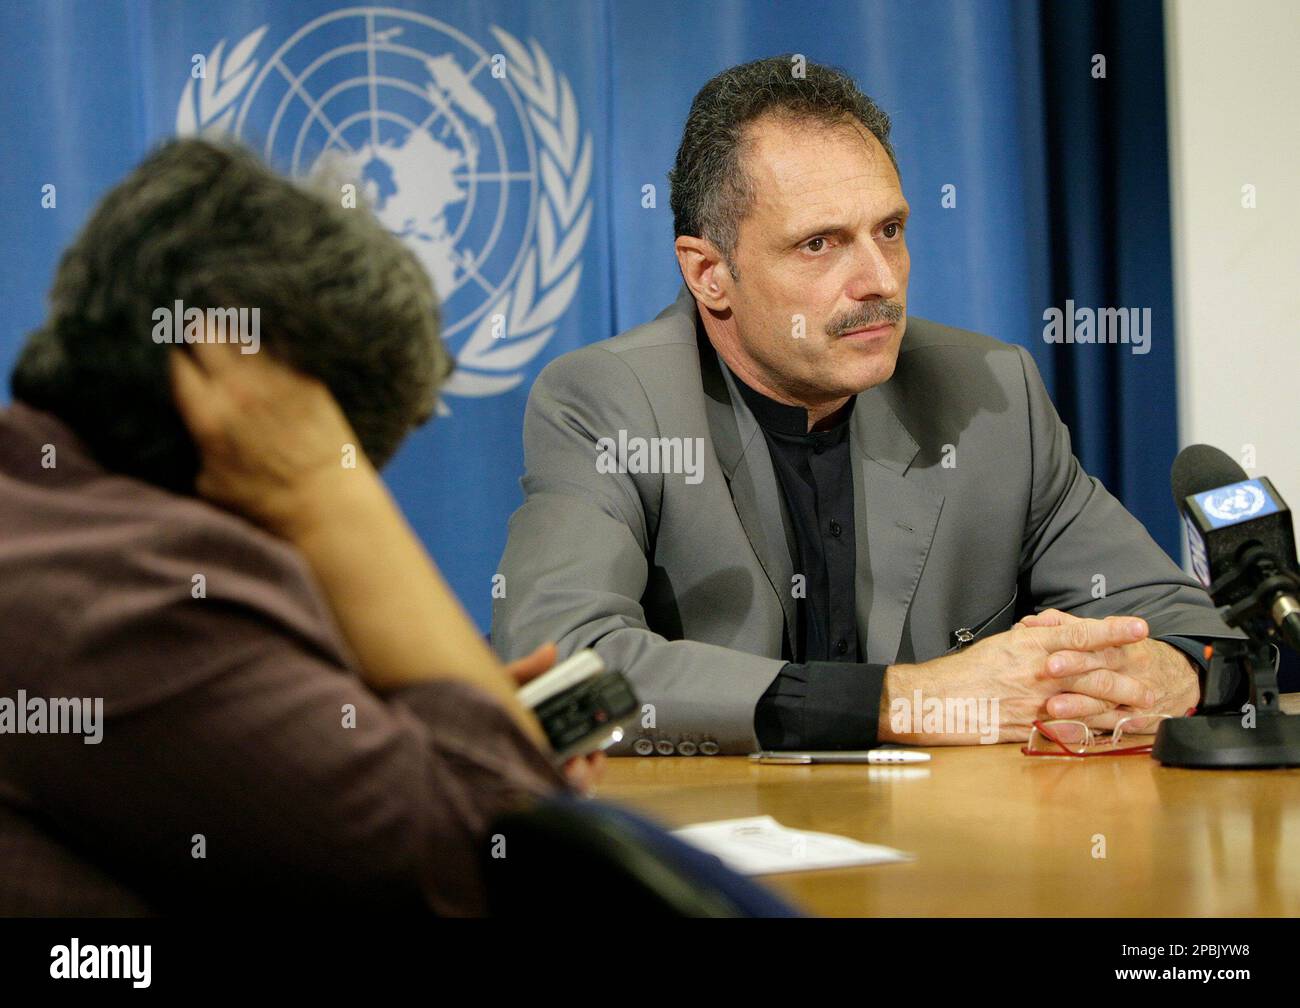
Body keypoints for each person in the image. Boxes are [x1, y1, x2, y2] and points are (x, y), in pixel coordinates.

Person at [492, 56, 1240, 755]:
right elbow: (559, 670)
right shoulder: (611, 403)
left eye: (890, 230)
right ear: (710, 273)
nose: (879, 279)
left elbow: (1188, 626)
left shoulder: (986, 392)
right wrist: (910, 700)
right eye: (820, 244)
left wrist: (1163, 674)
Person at [0, 138, 595, 916]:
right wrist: (326, 492)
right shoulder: (131, 600)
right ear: (251, 400)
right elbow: (498, 868)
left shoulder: (43, 504)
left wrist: (453, 713)